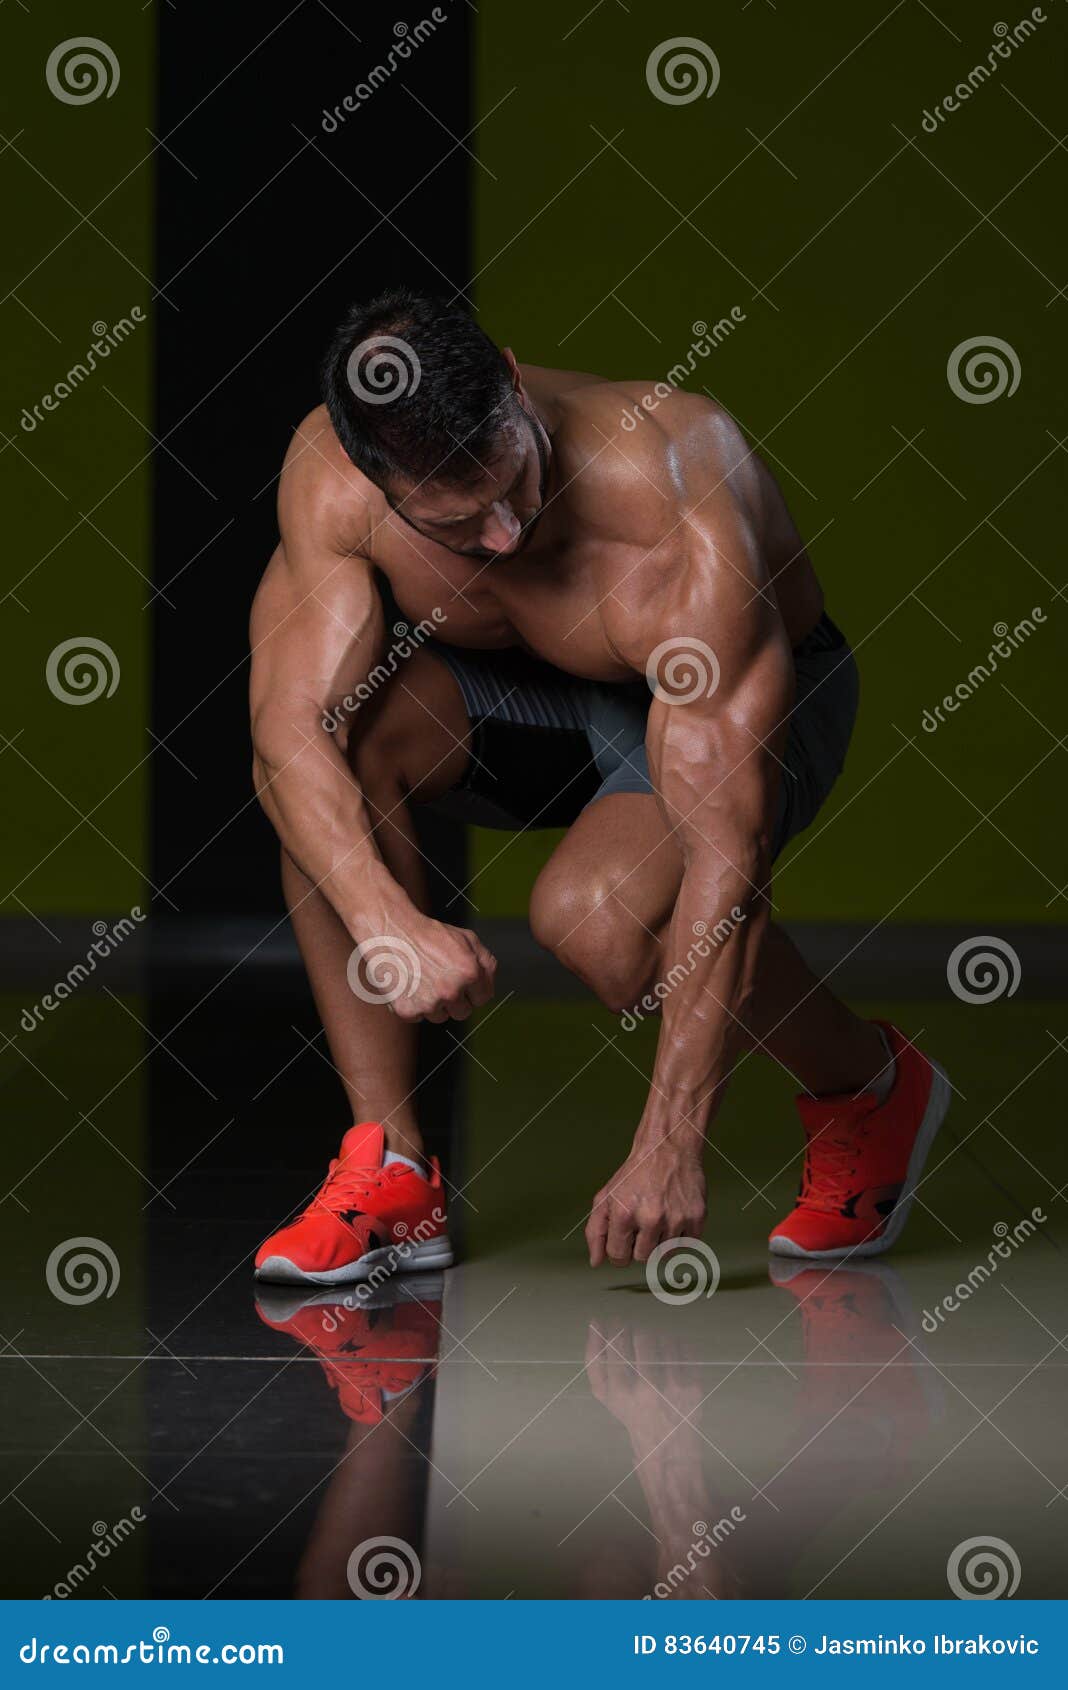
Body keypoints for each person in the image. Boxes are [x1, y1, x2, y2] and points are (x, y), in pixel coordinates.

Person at [248, 287, 949, 1286]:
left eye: (515, 484)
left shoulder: (674, 494)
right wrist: (381, 919)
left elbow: (728, 851)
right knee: (332, 760)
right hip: (528, 697)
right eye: (456, 523)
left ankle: (865, 1086)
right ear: (377, 481)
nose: (501, 537)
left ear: (514, 376)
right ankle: (391, 1165)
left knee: (602, 926)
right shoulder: (332, 476)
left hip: (720, 688)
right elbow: (287, 731)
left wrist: (669, 1142)